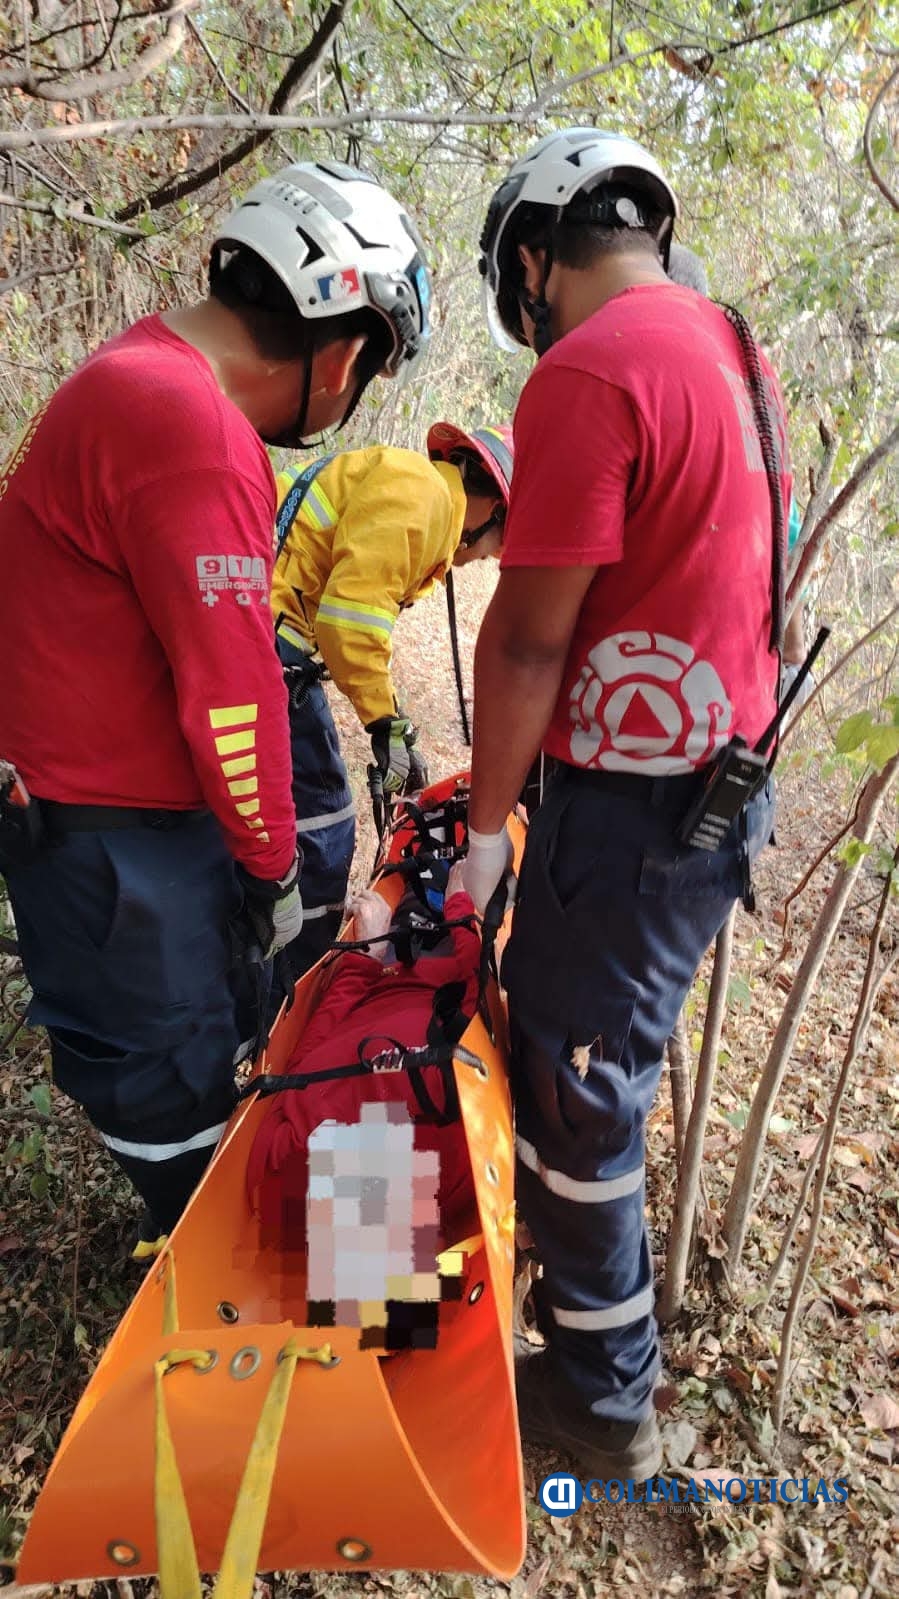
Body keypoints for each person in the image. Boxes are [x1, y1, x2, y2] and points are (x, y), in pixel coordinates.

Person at [0, 159, 432, 1251]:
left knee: (203, 1046)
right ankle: (232, 1270)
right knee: (173, 1078)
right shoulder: (188, 429)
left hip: (105, 815)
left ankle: (276, 1248)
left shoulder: (137, 379)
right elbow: (232, 702)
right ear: (342, 351)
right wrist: (271, 867)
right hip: (110, 839)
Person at [463, 127, 789, 1477]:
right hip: (710, 791)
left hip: (638, 812)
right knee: (581, 1059)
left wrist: (483, 834)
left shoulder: (591, 369)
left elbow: (530, 638)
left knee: (580, 1085)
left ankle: (602, 1400)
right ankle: (584, 1322)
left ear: (534, 261)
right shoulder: (726, 342)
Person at [269, 422, 513, 973]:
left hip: (271, 630)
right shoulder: (421, 498)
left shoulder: (416, 489)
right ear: (491, 507)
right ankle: (289, 988)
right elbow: (348, 622)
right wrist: (385, 724)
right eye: (500, 543)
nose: (489, 557)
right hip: (271, 641)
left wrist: (390, 721)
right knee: (323, 828)